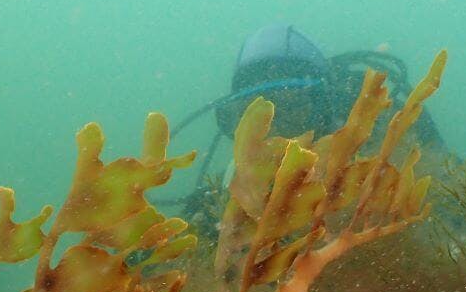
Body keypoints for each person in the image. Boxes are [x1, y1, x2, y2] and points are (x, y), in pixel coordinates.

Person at [170, 24, 448, 227]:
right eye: (255, 118)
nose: (277, 133)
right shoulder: (219, 204)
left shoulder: (388, 161)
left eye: (291, 109)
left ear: (325, 109)